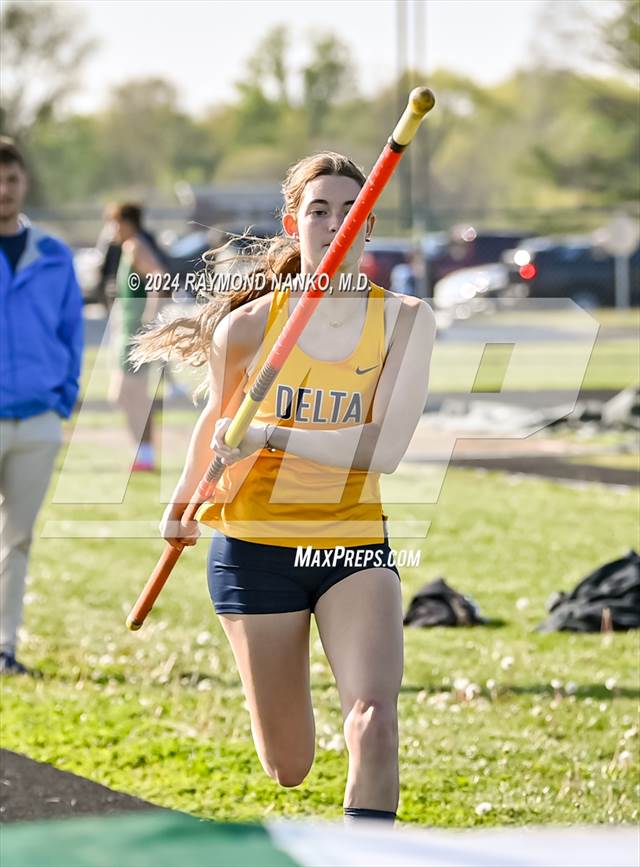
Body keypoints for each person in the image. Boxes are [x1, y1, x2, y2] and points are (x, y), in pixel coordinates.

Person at [131, 152, 436, 823]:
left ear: (369, 223)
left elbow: (382, 450)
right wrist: (181, 500)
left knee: (375, 720)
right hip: (253, 547)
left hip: (352, 543)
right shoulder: (247, 326)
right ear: (293, 222)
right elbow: (217, 421)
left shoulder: (407, 319)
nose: (335, 223)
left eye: (350, 210)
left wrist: (271, 433)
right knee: (289, 764)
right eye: (319, 210)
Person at [0, 137, 84, 675]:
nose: (3, 190)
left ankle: (4, 648)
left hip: (37, 420)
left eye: (11, 179)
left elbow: (72, 331)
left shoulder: (54, 254)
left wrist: (63, 397)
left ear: (24, 183)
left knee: (17, 541)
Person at [108, 203, 166, 472]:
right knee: (122, 395)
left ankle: (145, 455)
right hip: (127, 331)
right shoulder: (128, 248)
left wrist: (149, 318)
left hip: (135, 333)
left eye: (114, 223)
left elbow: (159, 277)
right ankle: (142, 453)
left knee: (131, 394)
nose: (112, 229)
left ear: (127, 223)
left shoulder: (135, 246)